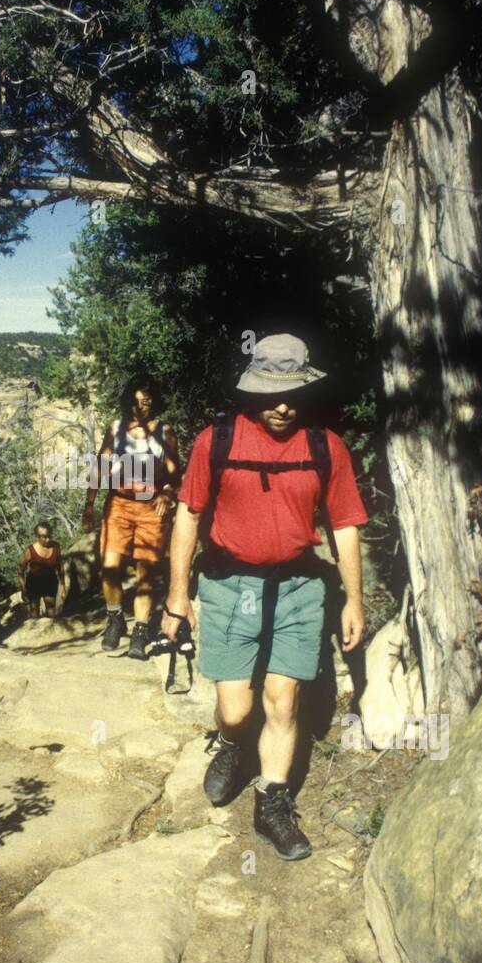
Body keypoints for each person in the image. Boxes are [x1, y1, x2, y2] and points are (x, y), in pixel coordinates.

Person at [160, 333, 368, 860]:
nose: (281, 405)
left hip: (298, 585)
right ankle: (232, 745)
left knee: (284, 700)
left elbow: (344, 524)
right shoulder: (219, 441)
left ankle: (272, 801)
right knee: (235, 708)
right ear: (252, 392)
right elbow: (188, 515)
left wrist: (354, 599)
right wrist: (177, 597)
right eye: (270, 393)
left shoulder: (324, 446)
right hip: (231, 584)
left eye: (292, 393)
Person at [82, 378, 181, 659]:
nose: (141, 406)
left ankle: (140, 630)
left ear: (154, 402)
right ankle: (114, 618)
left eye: (146, 401)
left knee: (146, 574)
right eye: (136, 401)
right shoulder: (116, 429)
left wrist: (167, 493)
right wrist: (89, 505)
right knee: (110, 567)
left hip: (150, 509)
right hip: (120, 506)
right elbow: (100, 467)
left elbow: (174, 474)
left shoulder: (165, 431)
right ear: (128, 402)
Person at [18, 523, 65, 618]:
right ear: (38, 537)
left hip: (50, 582)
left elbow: (60, 567)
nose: (47, 539)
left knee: (51, 613)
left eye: (49, 536)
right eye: (44, 537)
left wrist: (63, 586)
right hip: (34, 583)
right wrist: (23, 589)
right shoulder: (30, 550)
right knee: (34, 613)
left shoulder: (56, 547)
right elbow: (20, 571)